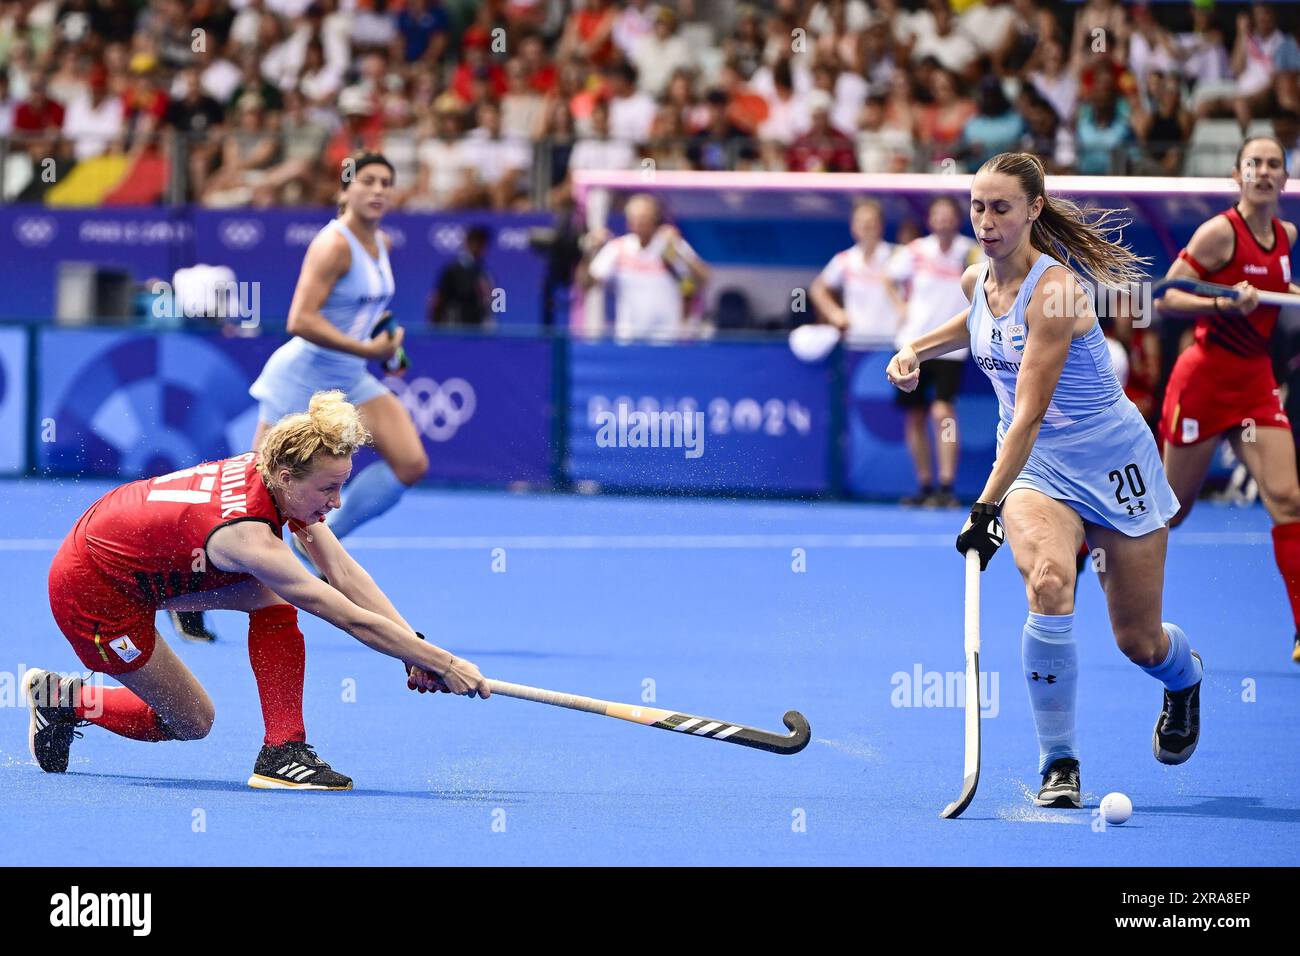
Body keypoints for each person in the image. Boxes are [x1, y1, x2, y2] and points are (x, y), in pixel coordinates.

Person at [887, 151, 1201, 809]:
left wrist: (981, 507)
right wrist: (916, 348)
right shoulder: (977, 280)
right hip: (1040, 470)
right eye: (978, 206)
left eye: (1001, 207)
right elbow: (972, 327)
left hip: (1115, 467)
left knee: (1138, 641)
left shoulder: (1057, 293)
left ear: (1033, 210)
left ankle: (1183, 679)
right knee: (1050, 584)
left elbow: (1027, 412)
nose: (986, 219)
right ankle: (1059, 762)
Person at [27, 391, 489, 790]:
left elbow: (344, 574)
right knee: (192, 721)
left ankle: (282, 751)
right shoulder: (248, 537)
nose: (337, 502)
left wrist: (416, 649)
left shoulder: (271, 471)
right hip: (94, 591)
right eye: (329, 488)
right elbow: (345, 613)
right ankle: (66, 700)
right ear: (288, 477)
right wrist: (444, 663)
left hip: (140, 559)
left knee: (273, 596)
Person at [159, 151, 426, 644]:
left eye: (386, 182)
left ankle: (318, 547)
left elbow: (366, 311)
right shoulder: (333, 244)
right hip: (302, 375)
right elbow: (300, 319)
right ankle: (183, 594)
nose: (378, 190)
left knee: (410, 461)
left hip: (351, 373)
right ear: (345, 188)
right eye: (368, 181)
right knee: (249, 494)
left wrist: (386, 342)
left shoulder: (381, 241)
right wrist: (367, 347)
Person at [1155, 136, 1300, 663]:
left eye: (1273, 164)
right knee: (1170, 511)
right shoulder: (1220, 233)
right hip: (1204, 381)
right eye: (1254, 163)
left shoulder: (1287, 234)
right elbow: (1167, 295)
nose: (1263, 172)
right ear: (1238, 175)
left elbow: (1276, 292)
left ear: (1285, 178)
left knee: (1288, 499)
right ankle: (1086, 548)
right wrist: (1223, 307)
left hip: (1255, 383)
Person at [888, 196, 978, 507]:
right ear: (930, 221)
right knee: (914, 417)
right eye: (937, 216)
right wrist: (900, 307)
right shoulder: (914, 251)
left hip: (950, 349)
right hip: (912, 345)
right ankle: (925, 485)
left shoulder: (970, 251)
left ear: (957, 220)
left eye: (948, 216)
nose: (943, 221)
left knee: (942, 412)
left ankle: (946, 486)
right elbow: (889, 279)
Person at [583, 193, 710, 340]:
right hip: (629, 338)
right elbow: (587, 284)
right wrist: (589, 252)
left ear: (655, 219)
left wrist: (679, 251)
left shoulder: (669, 245)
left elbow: (703, 278)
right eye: (634, 218)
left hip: (667, 338)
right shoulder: (618, 248)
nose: (638, 223)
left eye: (643, 218)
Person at [810, 198, 905, 350]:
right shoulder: (844, 260)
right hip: (856, 341)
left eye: (871, 222)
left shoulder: (897, 255)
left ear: (881, 226)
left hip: (891, 341)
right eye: (861, 222)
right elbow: (817, 288)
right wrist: (834, 312)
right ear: (853, 227)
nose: (866, 226)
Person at [429, 224, 495, 326]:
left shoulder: (483, 272)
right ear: (468, 243)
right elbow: (437, 300)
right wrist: (435, 329)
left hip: (477, 330)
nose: (481, 248)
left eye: (483, 244)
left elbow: (490, 301)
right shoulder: (453, 270)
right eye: (477, 242)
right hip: (457, 330)